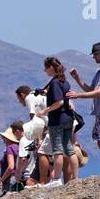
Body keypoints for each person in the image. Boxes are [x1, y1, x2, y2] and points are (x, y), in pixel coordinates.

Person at [69, 42, 100, 173]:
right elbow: (91, 89)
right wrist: (77, 78)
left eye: (96, 54)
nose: (94, 57)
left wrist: (78, 95)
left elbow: (99, 92)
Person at [39, 57, 78, 185]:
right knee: (70, 149)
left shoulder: (54, 82)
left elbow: (59, 101)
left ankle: (56, 179)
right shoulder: (65, 81)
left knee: (57, 151)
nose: (45, 71)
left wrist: (45, 111)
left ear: (51, 67)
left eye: (46, 69)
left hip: (57, 119)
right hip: (68, 118)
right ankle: (76, 178)